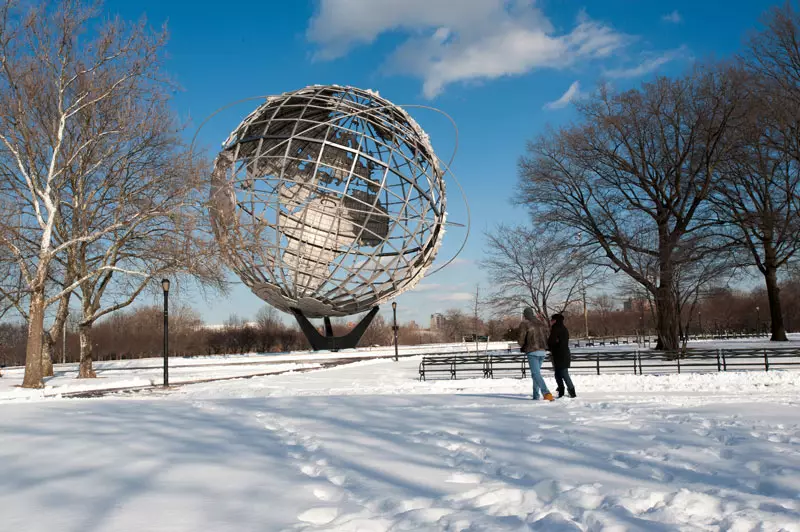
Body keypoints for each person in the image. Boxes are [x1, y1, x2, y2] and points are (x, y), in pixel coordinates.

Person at [518, 307, 554, 401]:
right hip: (542, 351)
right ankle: (535, 395)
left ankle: (546, 393)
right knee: (536, 374)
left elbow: (521, 339)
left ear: (525, 315)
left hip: (532, 350)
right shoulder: (542, 323)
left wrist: (522, 345)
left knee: (535, 374)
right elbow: (547, 336)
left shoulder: (525, 324)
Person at [548, 313, 576, 398]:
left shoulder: (555, 328)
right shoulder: (564, 328)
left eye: (552, 320)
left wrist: (550, 345)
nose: (551, 321)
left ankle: (570, 391)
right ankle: (564, 390)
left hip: (559, 354)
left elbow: (551, 341)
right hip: (564, 353)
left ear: (555, 320)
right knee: (560, 373)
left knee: (562, 373)